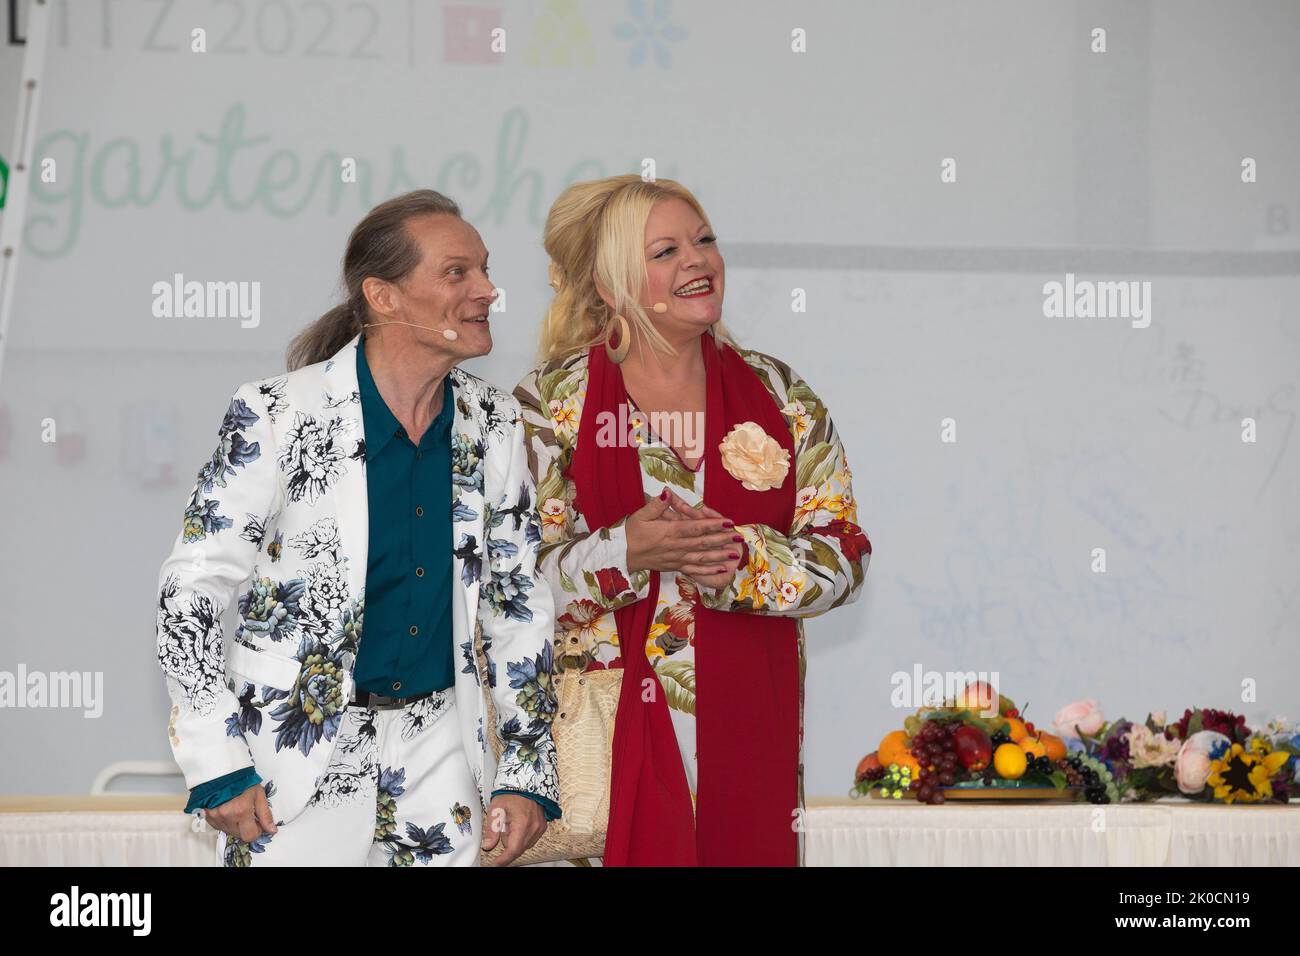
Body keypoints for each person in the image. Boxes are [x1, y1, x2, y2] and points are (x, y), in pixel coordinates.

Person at [156, 189, 559, 866]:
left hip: (443, 759)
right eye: (457, 272)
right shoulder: (276, 413)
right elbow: (188, 593)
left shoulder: (495, 421)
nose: (488, 290)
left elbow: (517, 603)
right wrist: (215, 759)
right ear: (384, 296)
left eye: (484, 270)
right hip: (290, 762)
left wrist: (526, 770)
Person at [513, 175, 871, 866]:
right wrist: (626, 551)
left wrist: (740, 560)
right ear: (611, 284)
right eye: (666, 251)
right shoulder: (550, 402)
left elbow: (846, 554)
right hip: (604, 735)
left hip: (752, 722)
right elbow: (509, 582)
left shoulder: (779, 391)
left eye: (704, 240)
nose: (698, 260)